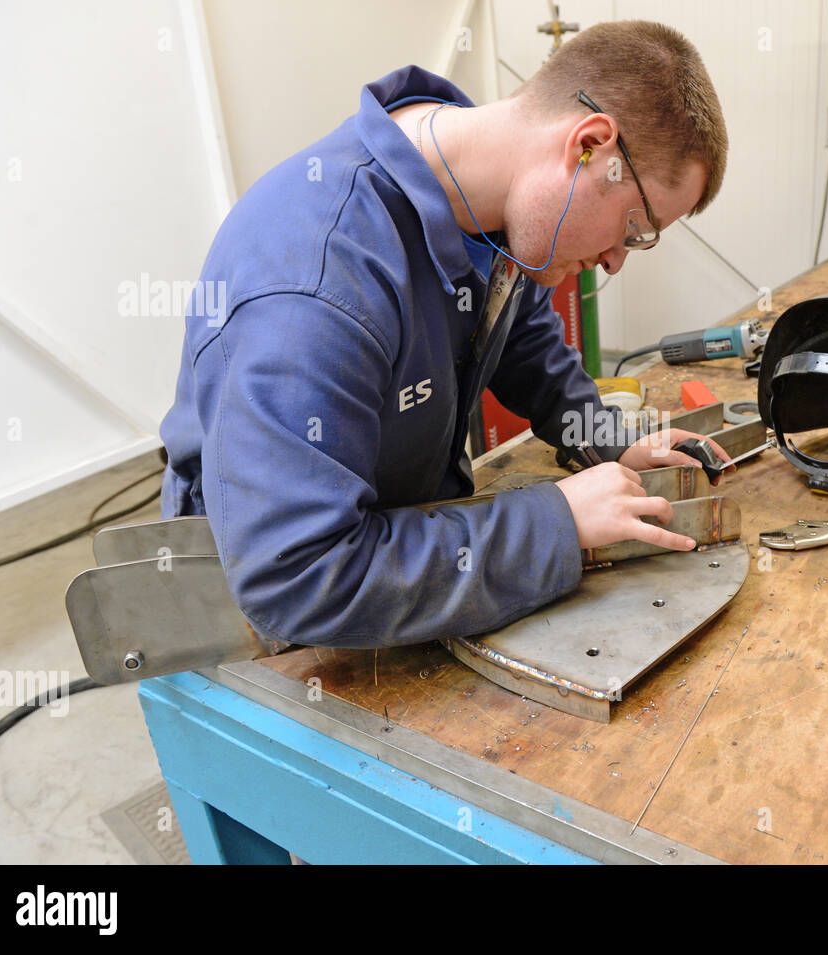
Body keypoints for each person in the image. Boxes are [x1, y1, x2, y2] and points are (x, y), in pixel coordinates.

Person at [159, 20, 731, 648]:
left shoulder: (479, 198)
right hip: (288, 620)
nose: (618, 259)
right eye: (634, 227)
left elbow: (518, 335)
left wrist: (606, 439)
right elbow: (300, 577)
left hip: (409, 539)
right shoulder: (317, 283)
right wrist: (555, 524)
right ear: (589, 145)